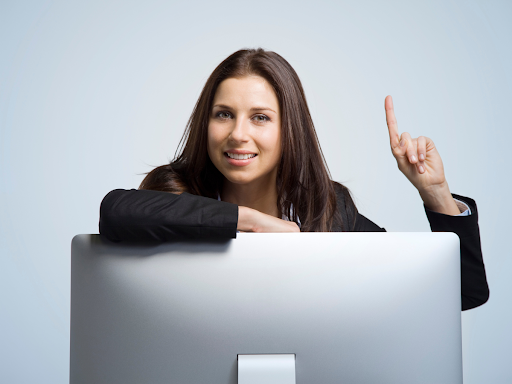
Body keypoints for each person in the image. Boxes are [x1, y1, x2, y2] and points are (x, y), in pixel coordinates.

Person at [99, 48, 489, 310]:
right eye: (223, 114)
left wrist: (436, 195)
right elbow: (115, 212)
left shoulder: (330, 212)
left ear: (290, 130)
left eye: (260, 117)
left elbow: (461, 293)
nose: (238, 134)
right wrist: (248, 221)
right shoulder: (173, 190)